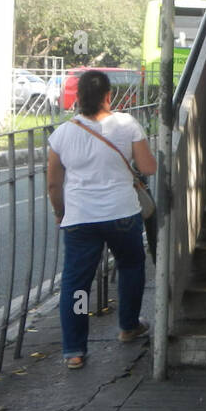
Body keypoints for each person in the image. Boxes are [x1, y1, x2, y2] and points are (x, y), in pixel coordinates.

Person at [47, 69, 157, 369]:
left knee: (77, 283)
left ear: (78, 98)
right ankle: (128, 326)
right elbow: (148, 168)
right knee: (131, 266)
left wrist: (60, 212)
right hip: (122, 213)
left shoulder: (62, 134)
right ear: (109, 96)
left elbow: (54, 185)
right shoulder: (126, 124)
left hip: (80, 218)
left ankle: (74, 351)